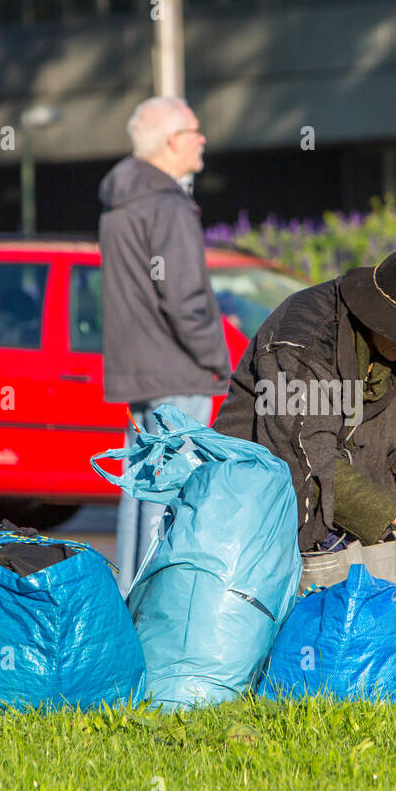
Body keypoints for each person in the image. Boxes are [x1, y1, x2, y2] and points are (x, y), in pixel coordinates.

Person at [214, 237, 396, 555]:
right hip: (253, 533)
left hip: (351, 544)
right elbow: (306, 457)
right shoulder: (303, 337)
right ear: (381, 317)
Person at [98, 96, 231, 594]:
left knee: (141, 489)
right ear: (172, 141)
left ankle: (133, 600)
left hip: (138, 369)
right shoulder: (167, 206)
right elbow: (185, 297)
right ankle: (162, 610)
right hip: (177, 369)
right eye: (195, 130)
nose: (202, 139)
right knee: (175, 490)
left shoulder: (121, 203)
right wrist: (215, 358)